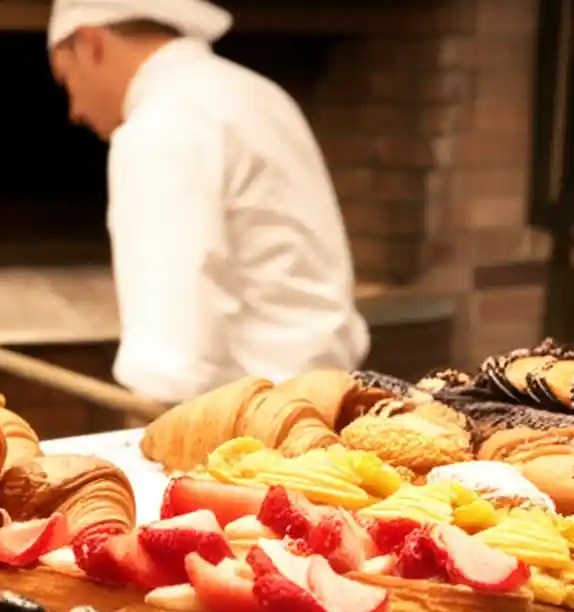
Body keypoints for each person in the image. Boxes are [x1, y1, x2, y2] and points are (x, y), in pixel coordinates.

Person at [48, 0, 370, 405]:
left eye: (66, 80)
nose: (75, 111)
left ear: (89, 43)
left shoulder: (162, 125)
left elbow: (171, 361)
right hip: (327, 398)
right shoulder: (258, 92)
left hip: (247, 428)